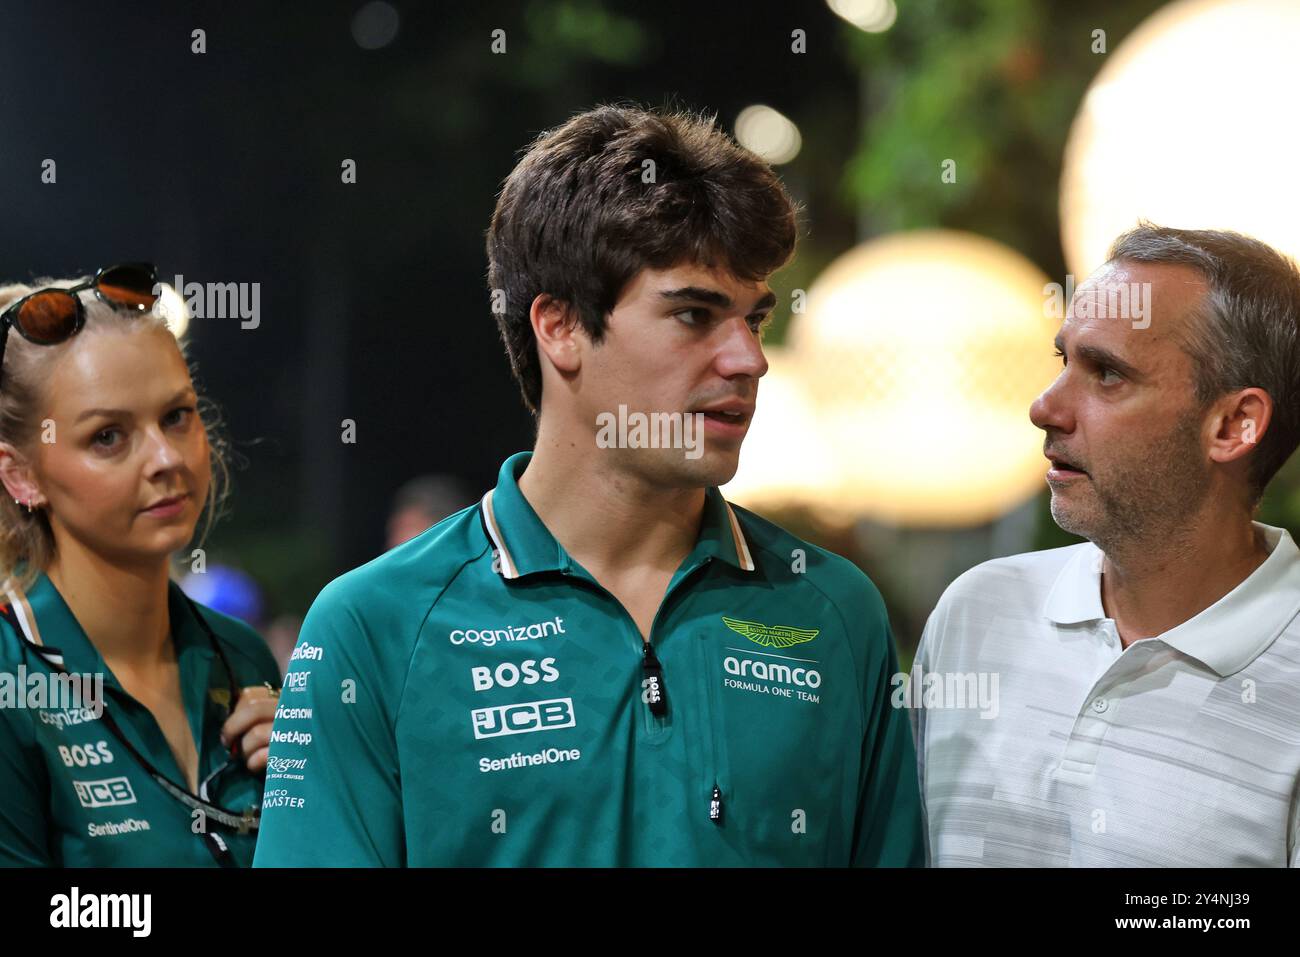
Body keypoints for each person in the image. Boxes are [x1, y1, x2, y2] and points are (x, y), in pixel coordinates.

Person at [254, 104, 923, 866]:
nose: (748, 360)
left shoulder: (835, 611)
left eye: (755, 320)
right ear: (559, 326)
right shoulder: (373, 625)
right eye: (696, 314)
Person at [913, 224, 1300, 866]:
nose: (1044, 407)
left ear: (1234, 425)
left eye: (1108, 375)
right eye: (1064, 361)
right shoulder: (978, 610)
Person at [0, 265, 280, 866]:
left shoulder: (242, 656)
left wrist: (313, 787)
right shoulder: (10, 676)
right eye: (108, 436)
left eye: (177, 416)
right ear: (21, 475)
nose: (164, 458)